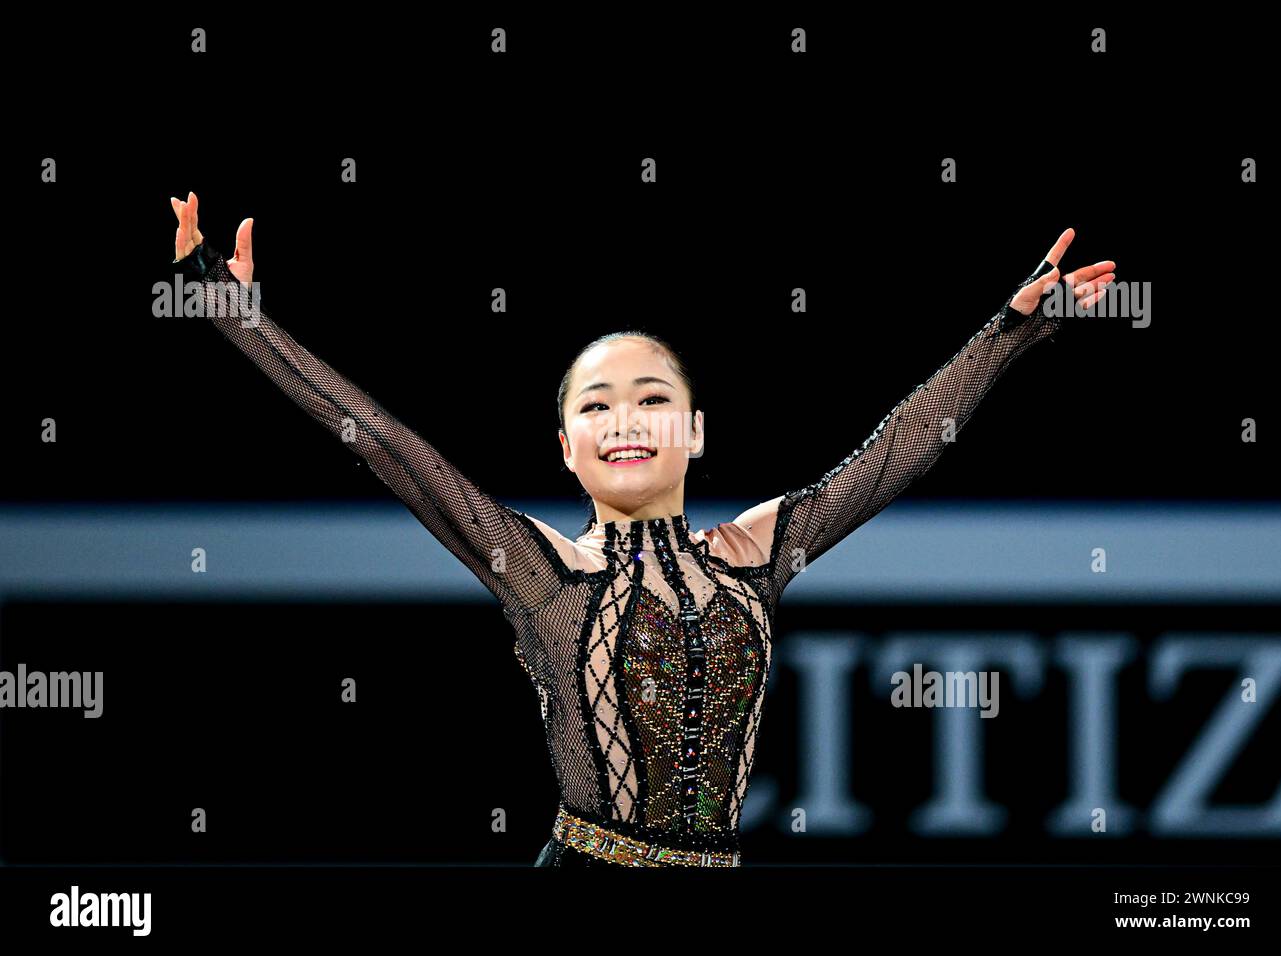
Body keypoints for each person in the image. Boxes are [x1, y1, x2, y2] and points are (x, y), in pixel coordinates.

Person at [168, 192, 1114, 867]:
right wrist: (234, 315)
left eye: (652, 399)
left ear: (695, 432)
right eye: (598, 407)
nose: (625, 420)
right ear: (567, 449)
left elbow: (900, 448)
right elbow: (380, 441)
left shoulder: (757, 549)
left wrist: (1011, 328)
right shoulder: (543, 570)